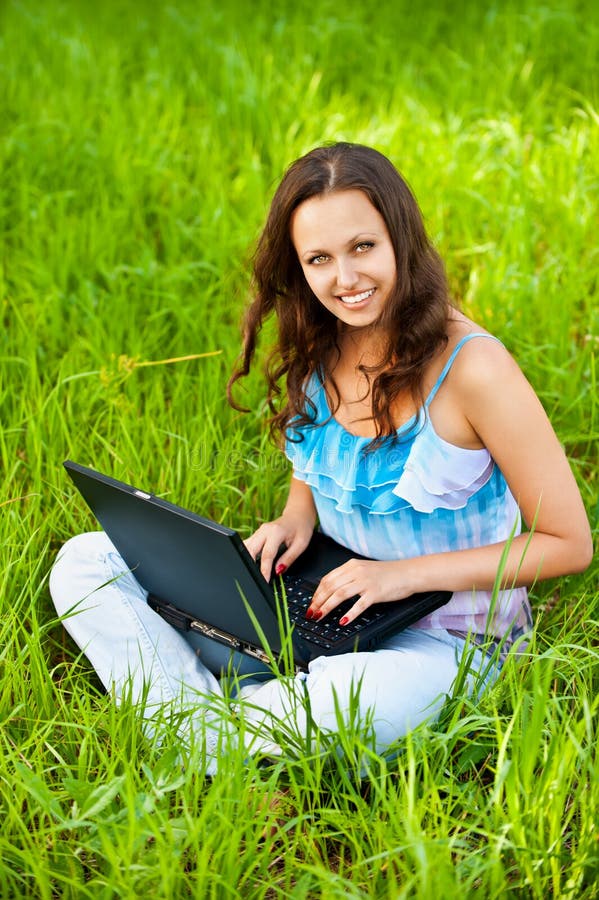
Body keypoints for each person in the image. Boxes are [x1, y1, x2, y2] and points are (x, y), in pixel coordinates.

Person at [49, 143, 592, 773]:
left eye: (363, 247)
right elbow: (313, 469)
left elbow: (567, 544)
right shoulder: (319, 335)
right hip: (322, 602)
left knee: (335, 705)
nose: (346, 280)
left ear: (401, 239)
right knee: (85, 562)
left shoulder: (475, 369)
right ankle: (225, 718)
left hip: (450, 640)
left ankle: (206, 713)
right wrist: (293, 519)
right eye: (320, 259)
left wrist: (398, 577)